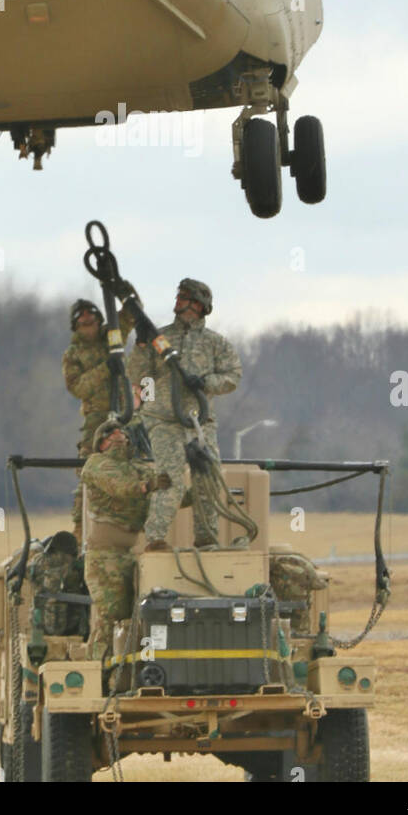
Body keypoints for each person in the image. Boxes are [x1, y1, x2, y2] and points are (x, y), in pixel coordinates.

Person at [128, 278, 241, 551]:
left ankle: (206, 539)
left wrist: (204, 383)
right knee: (171, 480)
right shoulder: (160, 339)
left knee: (207, 479)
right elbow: (140, 376)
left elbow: (232, 377)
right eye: (177, 296)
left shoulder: (216, 343)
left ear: (199, 305)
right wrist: (150, 407)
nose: (177, 302)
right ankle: (155, 539)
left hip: (200, 422)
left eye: (184, 297)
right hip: (164, 422)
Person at [81, 419, 170, 659]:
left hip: (128, 554)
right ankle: (100, 672)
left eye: (123, 433)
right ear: (102, 444)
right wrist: (148, 485)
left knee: (133, 618)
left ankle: (125, 669)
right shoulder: (97, 465)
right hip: (105, 557)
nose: (120, 437)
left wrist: (183, 490)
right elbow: (120, 486)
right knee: (110, 618)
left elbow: (165, 494)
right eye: (112, 435)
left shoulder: (138, 468)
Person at [62, 296, 136, 544]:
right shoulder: (73, 354)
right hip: (96, 419)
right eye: (82, 319)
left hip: (126, 411)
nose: (87, 322)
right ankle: (80, 528)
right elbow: (79, 387)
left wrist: (124, 291)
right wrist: (107, 367)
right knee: (88, 470)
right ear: (76, 326)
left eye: (91, 317)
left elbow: (132, 314)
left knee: (138, 462)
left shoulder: (112, 337)